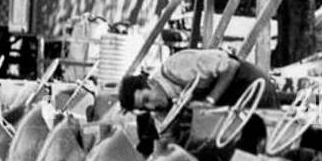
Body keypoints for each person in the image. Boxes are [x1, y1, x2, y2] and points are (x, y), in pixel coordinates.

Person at [118, 47, 277, 115]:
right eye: (146, 108)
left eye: (147, 99)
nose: (152, 106)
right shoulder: (165, 104)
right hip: (233, 107)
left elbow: (231, 65)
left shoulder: (177, 66)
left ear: (151, 83)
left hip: (251, 87)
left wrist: (209, 101)